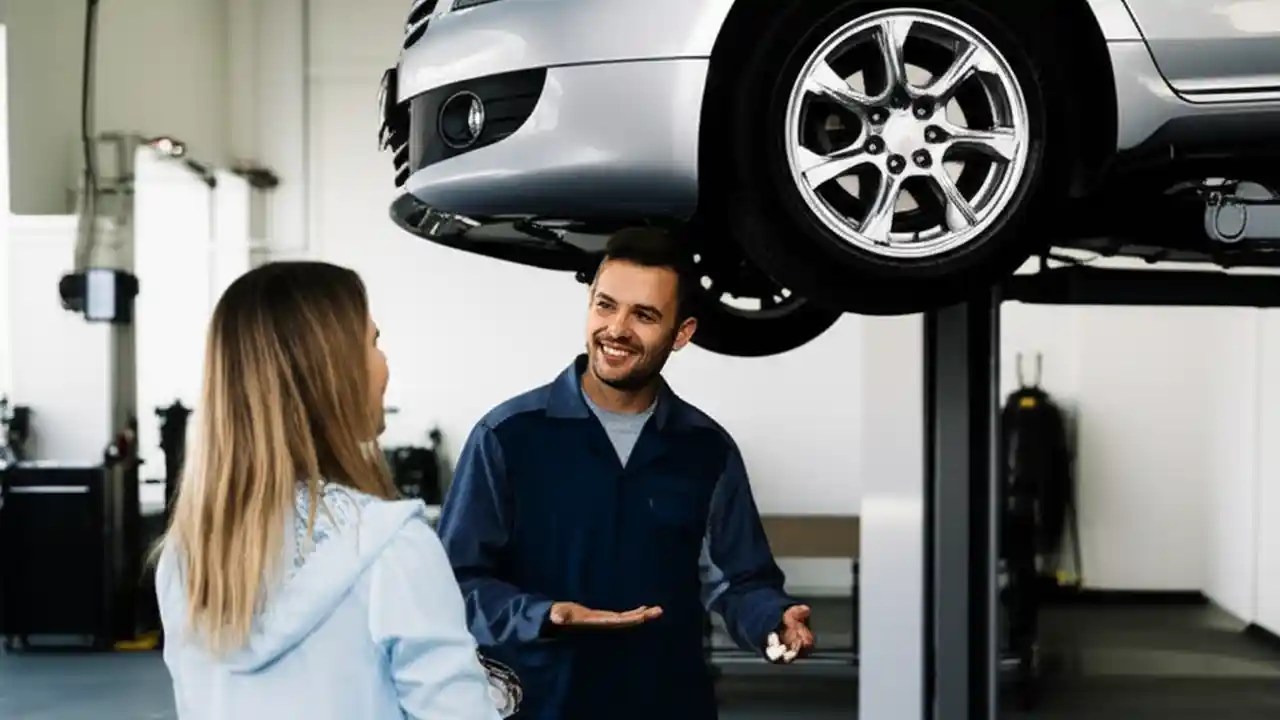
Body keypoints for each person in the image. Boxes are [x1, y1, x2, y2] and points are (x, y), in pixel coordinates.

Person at [437, 228, 816, 720]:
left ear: (682, 333)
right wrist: (546, 615)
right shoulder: (506, 436)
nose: (616, 328)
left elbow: (737, 581)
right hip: (541, 707)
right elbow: (453, 585)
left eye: (644, 315)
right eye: (605, 305)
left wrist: (774, 620)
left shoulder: (708, 450)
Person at [153, 261, 503, 720]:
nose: (384, 362)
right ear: (332, 373)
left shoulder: (187, 558)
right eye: (374, 342)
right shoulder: (392, 547)